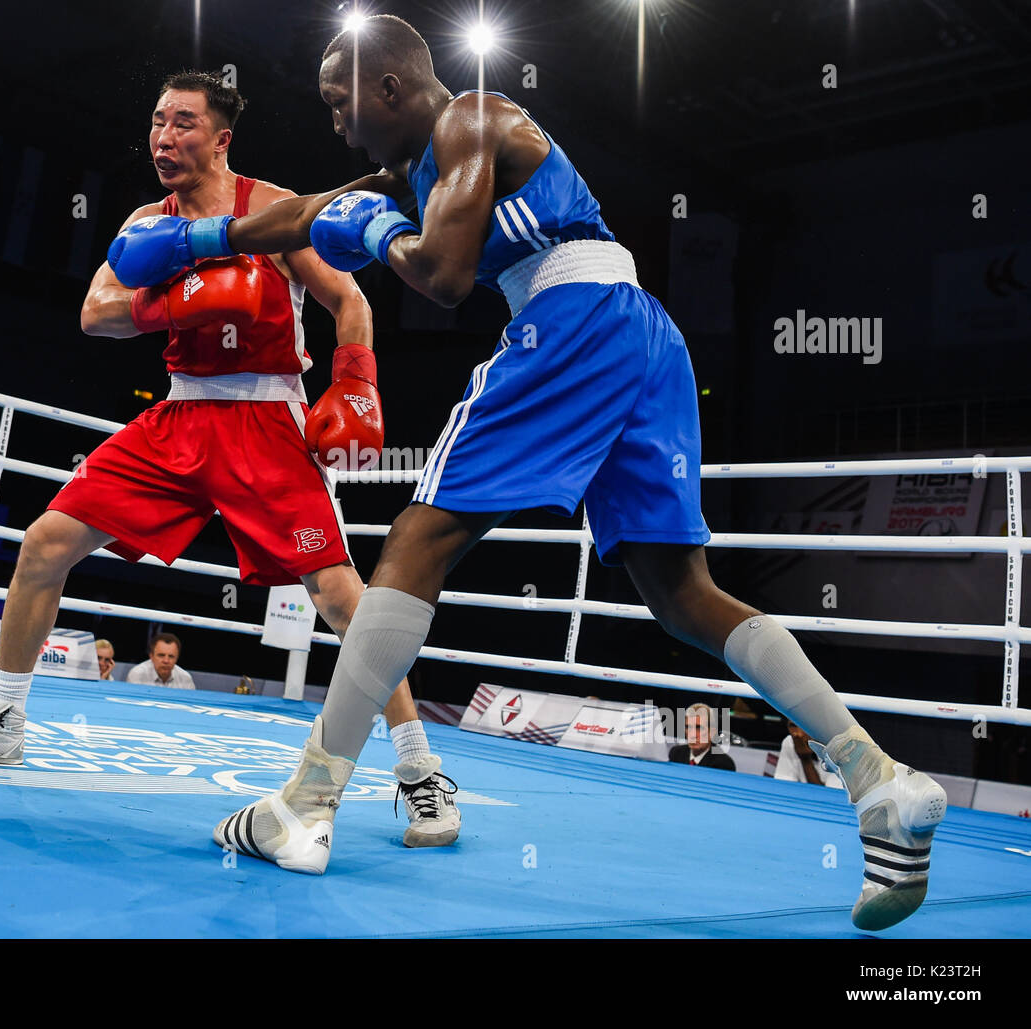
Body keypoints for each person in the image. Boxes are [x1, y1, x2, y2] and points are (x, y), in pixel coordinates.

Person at [108, 15, 947, 927]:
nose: (339, 125)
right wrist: (196, 244)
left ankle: (306, 805)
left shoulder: (470, 120)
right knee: (682, 594)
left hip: (570, 318)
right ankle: (879, 779)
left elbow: (442, 274)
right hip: (638, 336)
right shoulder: (418, 156)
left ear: (390, 87)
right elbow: (306, 212)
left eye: (341, 102)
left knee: (415, 545)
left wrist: (386, 232)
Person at [0, 69, 460, 848]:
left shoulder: (270, 209)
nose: (164, 139)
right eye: (158, 124)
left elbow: (352, 300)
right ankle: (2, 719)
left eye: (183, 124)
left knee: (344, 597)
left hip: (267, 420)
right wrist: (174, 300)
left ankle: (420, 772)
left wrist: (356, 381)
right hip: (176, 415)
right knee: (44, 544)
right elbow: (94, 311)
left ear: (221, 138)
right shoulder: (146, 222)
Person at [774, 719, 844, 788]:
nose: (798, 734)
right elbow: (784, 786)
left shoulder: (838, 749)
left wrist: (805, 760)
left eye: (803, 726)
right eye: (793, 726)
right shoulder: (789, 742)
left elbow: (826, 796)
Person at [667, 703, 736, 770]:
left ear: (712, 732)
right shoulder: (676, 753)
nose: (693, 735)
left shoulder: (723, 764)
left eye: (699, 728)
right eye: (688, 727)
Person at [125, 631, 195, 689]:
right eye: (161, 655)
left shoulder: (185, 678)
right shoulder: (137, 674)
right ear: (151, 656)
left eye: (171, 656)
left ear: (177, 658)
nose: (166, 661)